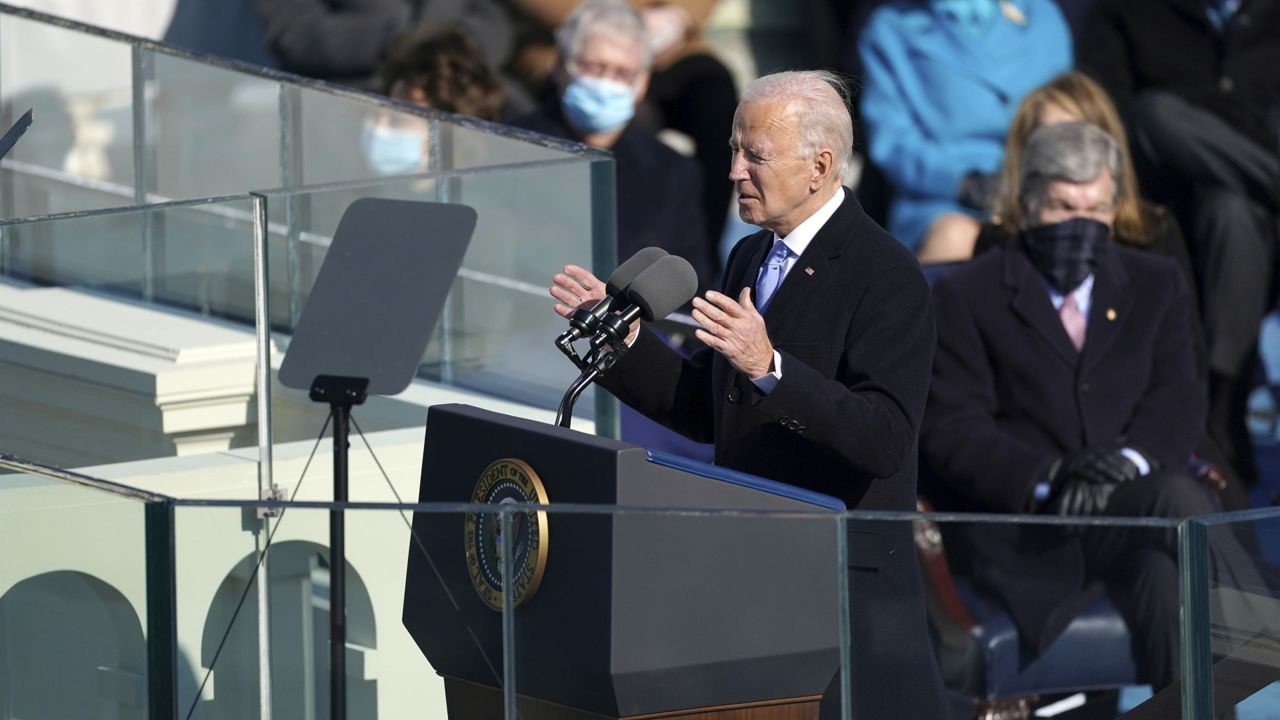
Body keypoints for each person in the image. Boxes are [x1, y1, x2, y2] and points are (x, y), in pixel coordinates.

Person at [549, 69, 948, 719]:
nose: (733, 171)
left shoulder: (887, 275)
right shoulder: (749, 259)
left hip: (841, 590)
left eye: (753, 155)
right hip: (754, 576)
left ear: (819, 166)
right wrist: (621, 341)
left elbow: (885, 437)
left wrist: (772, 367)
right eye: (735, 150)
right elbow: (706, 409)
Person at [921, 121, 1272, 693]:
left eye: (1097, 207)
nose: (1082, 224)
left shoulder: (1155, 281)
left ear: (1115, 209)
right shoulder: (968, 294)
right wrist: (1048, 475)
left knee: (1164, 569)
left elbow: (1179, 397)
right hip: (1033, 528)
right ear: (1027, 202)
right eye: (1063, 205)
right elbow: (952, 428)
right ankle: (1261, 636)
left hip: (1133, 510)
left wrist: (1131, 460)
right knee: (1177, 502)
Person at [1078, 0, 1280, 493]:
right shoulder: (1125, 11)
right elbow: (1112, 109)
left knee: (1231, 210)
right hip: (1172, 194)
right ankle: (1224, 411)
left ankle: (1222, 407)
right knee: (1157, 115)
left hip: (1255, 209)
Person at [514, 0, 714, 293]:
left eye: (622, 73)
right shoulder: (511, 146)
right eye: (594, 67)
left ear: (643, 81)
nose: (606, 83)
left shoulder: (673, 172)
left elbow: (687, 287)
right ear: (559, 66)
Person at [857, 0, 1071, 260]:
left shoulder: (1040, 13)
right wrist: (964, 184)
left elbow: (1068, 111)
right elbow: (893, 142)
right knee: (955, 237)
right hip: (941, 197)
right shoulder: (890, 28)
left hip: (1037, 181)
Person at [257, 0, 514, 91]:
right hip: (355, 100)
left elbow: (494, 14)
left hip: (463, 90)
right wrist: (400, 42)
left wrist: (460, 47)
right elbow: (294, 32)